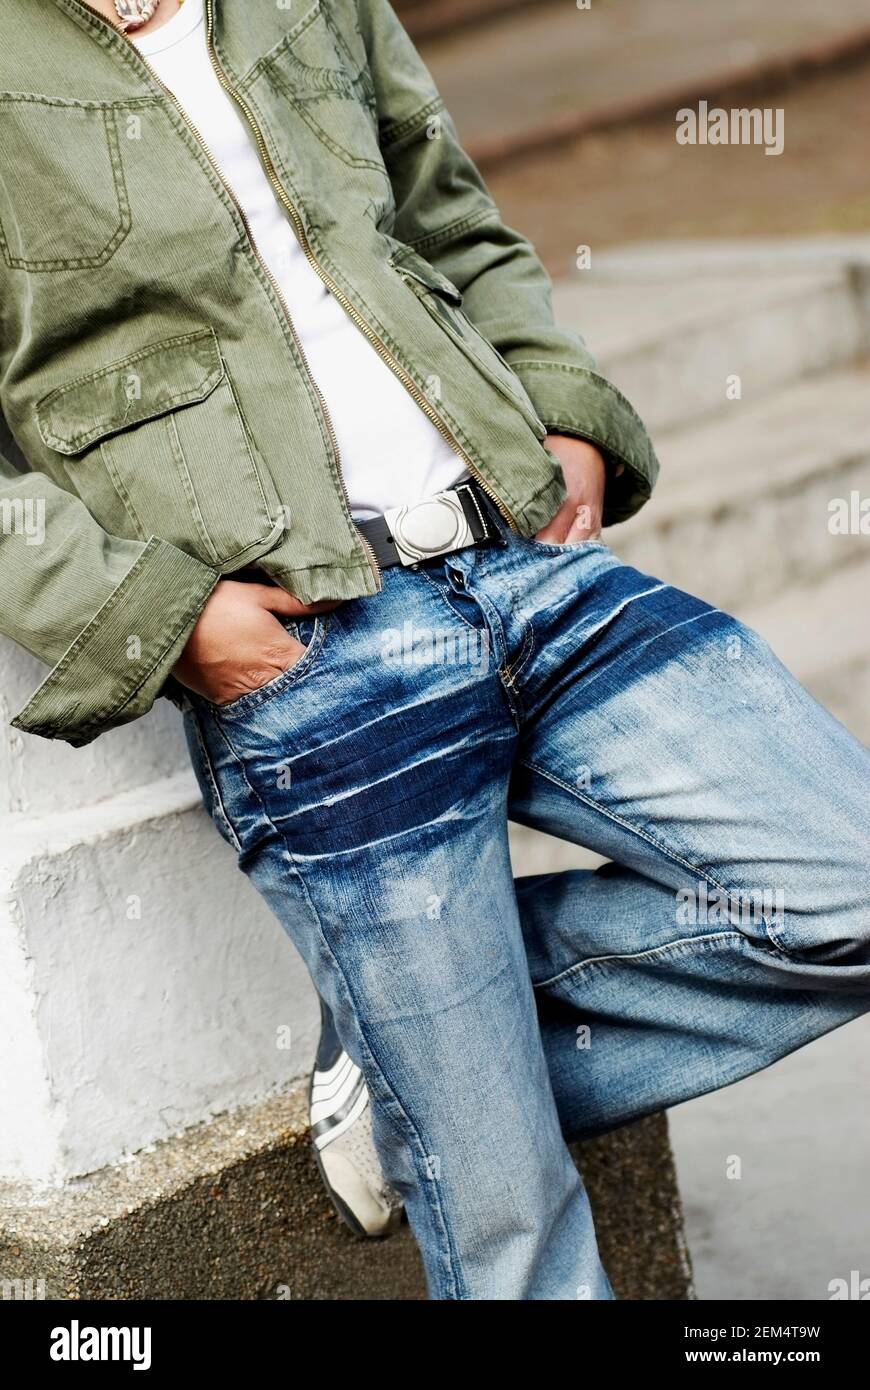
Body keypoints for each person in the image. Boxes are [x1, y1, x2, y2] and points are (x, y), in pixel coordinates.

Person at [2, 0, 867, 1300]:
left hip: (522, 560)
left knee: (845, 880)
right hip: (313, 651)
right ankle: (436, 1079)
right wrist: (161, 617)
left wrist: (558, 401)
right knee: (513, 1227)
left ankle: (404, 1059)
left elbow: (448, 211)